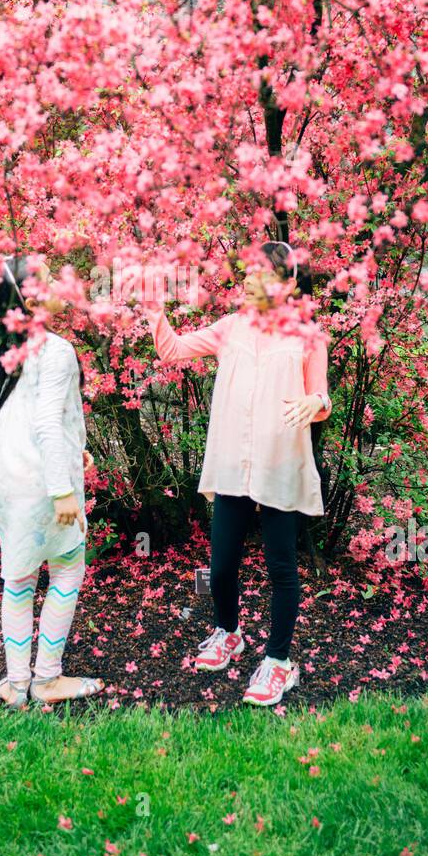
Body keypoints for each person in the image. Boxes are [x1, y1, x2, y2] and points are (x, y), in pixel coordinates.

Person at [145, 243, 331, 706]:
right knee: (222, 566)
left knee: (281, 568)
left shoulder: (309, 337)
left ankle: (278, 663)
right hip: (233, 466)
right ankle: (228, 632)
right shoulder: (231, 328)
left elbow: (321, 398)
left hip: (280, 466)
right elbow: (171, 350)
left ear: (287, 285)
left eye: (259, 274)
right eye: (247, 273)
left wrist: (315, 405)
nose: (248, 280)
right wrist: (155, 311)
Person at [0, 255, 103, 708]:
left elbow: (22, 416)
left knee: (17, 577)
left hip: (9, 474)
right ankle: (47, 679)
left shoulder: (8, 347)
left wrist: (75, 452)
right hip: (42, 482)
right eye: (50, 278)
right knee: (68, 567)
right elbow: (49, 425)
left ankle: (15, 685)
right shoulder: (55, 349)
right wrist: (63, 488)